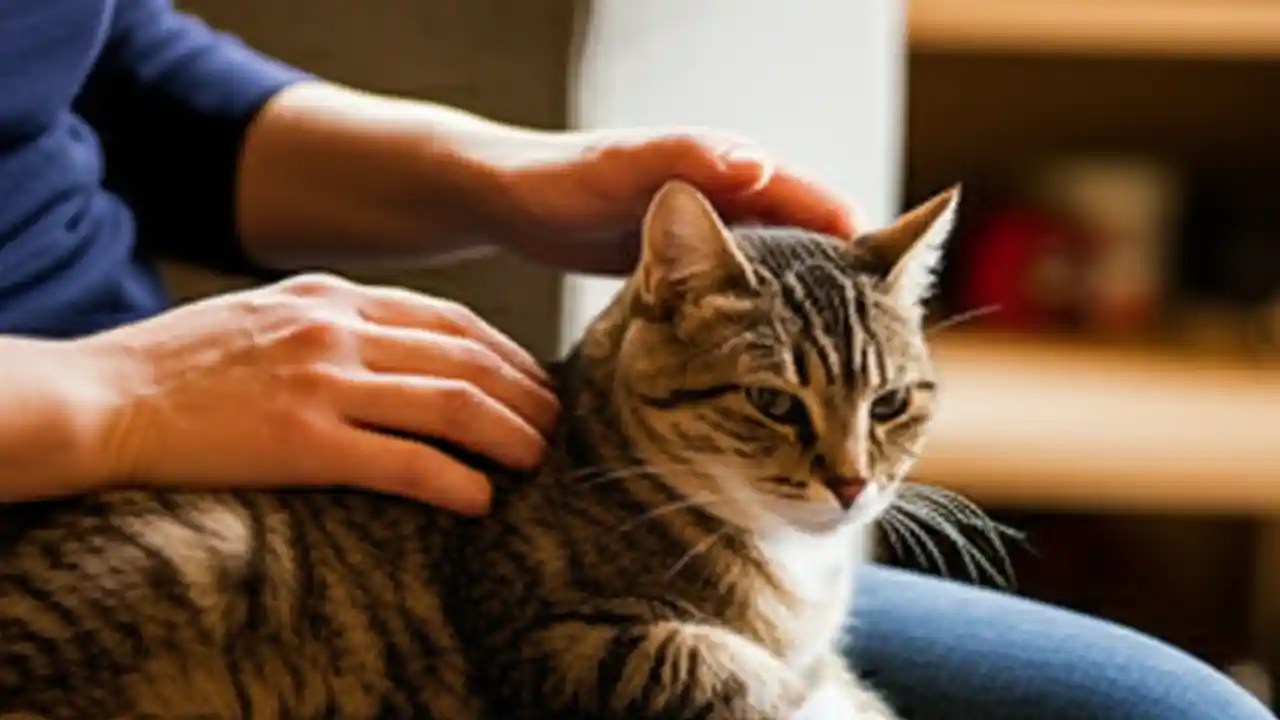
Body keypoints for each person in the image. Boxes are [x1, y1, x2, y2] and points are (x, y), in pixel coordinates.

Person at [0, 2, 1271, 718]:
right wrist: (109, 399)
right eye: (786, 413)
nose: (847, 472)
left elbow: (99, 65)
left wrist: (503, 178)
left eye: (882, 416)